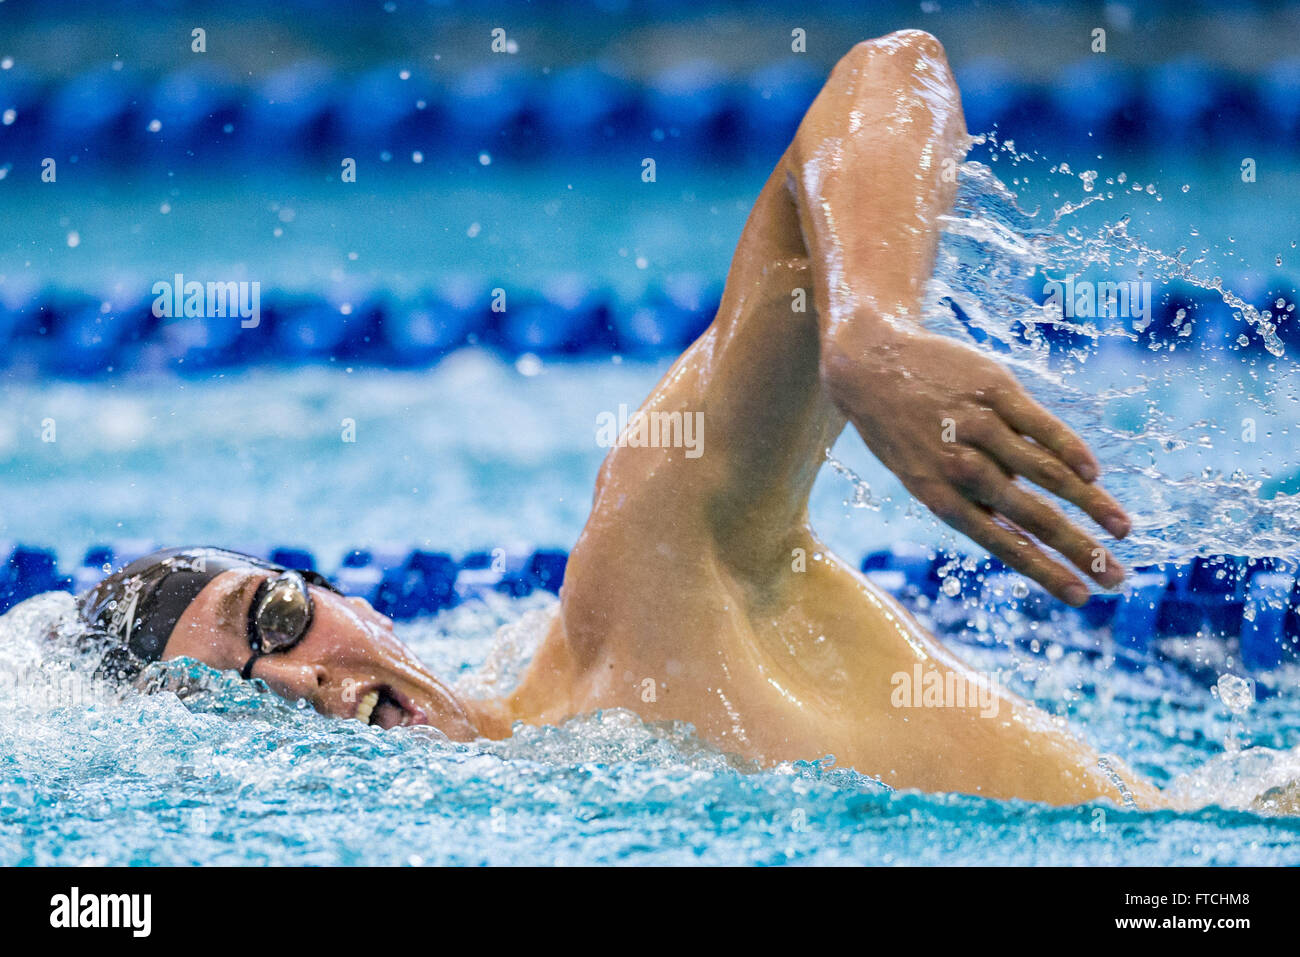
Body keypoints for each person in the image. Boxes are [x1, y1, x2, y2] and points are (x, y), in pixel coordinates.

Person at [77, 30, 1159, 808]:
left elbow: (888, 71)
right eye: (230, 702)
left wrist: (865, 331)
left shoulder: (645, 589)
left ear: (347, 598)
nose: (304, 683)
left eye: (273, 620)